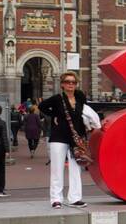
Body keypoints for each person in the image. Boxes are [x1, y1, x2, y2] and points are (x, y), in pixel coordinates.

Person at [38, 72, 89, 208]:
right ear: (62, 84)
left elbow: (85, 113)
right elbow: (42, 106)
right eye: (67, 82)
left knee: (76, 168)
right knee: (57, 168)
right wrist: (54, 114)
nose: (70, 84)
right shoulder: (57, 98)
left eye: (73, 82)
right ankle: (56, 199)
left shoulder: (80, 96)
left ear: (76, 84)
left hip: (76, 137)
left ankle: (75, 198)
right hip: (59, 136)